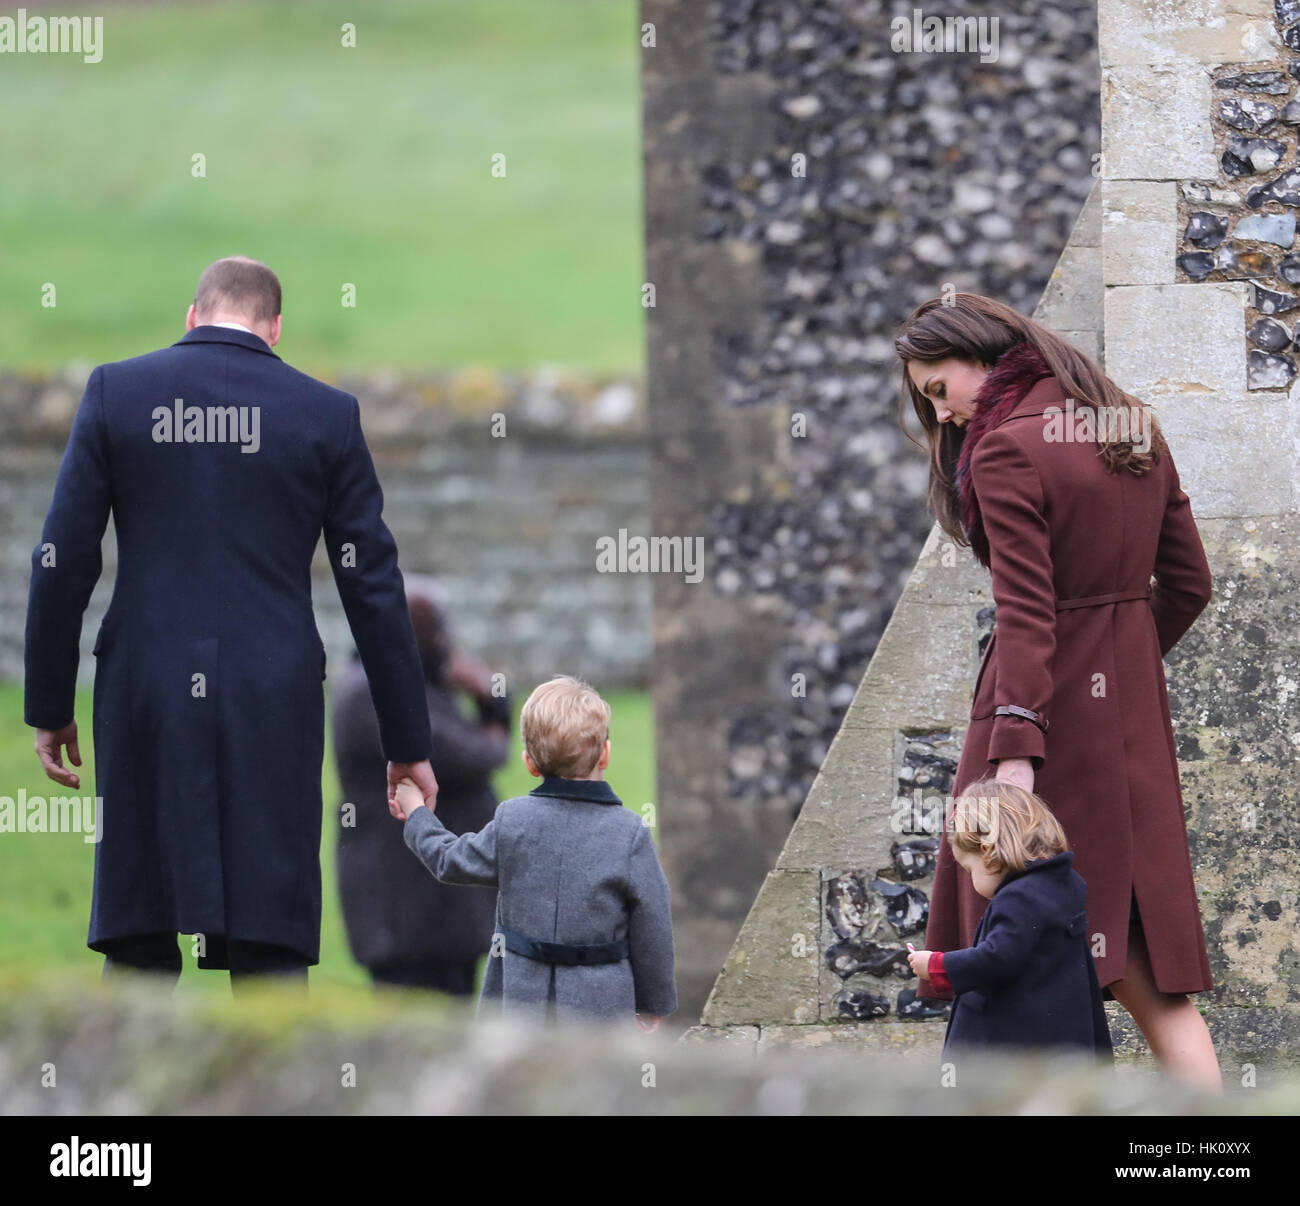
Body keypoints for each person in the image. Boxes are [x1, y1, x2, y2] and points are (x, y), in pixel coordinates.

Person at [24, 255, 438, 993]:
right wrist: (407, 742)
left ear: (192, 316)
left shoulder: (117, 394)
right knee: (268, 939)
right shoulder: (326, 415)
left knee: (138, 934)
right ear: (275, 329)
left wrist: (50, 706)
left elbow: (61, 560)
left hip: (143, 688)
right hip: (269, 692)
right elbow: (373, 586)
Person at [895, 292, 1221, 1091]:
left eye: (940, 389)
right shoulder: (1129, 423)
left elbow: (1027, 614)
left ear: (985, 353)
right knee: (1150, 979)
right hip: (1127, 738)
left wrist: (1014, 754)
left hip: (1033, 742)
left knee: (1012, 978)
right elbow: (1188, 586)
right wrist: (1121, 673)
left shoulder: (1006, 449)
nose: (942, 418)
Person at [394, 675, 677, 1030]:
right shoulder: (630, 833)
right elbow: (653, 923)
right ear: (605, 753)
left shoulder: (512, 820)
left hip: (516, 1002)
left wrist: (417, 812)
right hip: (602, 1008)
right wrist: (653, 1003)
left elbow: (448, 859)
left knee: (516, 1083)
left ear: (529, 763)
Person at [333, 574, 509, 995]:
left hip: (433, 912)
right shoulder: (372, 693)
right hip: (409, 918)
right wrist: (488, 696)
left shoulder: (412, 686)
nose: (450, 643)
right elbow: (476, 755)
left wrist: (491, 700)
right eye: (440, 629)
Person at [906, 778, 1113, 1065]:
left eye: (969, 869)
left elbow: (998, 958)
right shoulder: (1062, 885)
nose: (971, 879)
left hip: (1020, 1049)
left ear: (989, 855)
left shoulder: (1019, 898)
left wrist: (938, 965)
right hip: (1060, 1036)